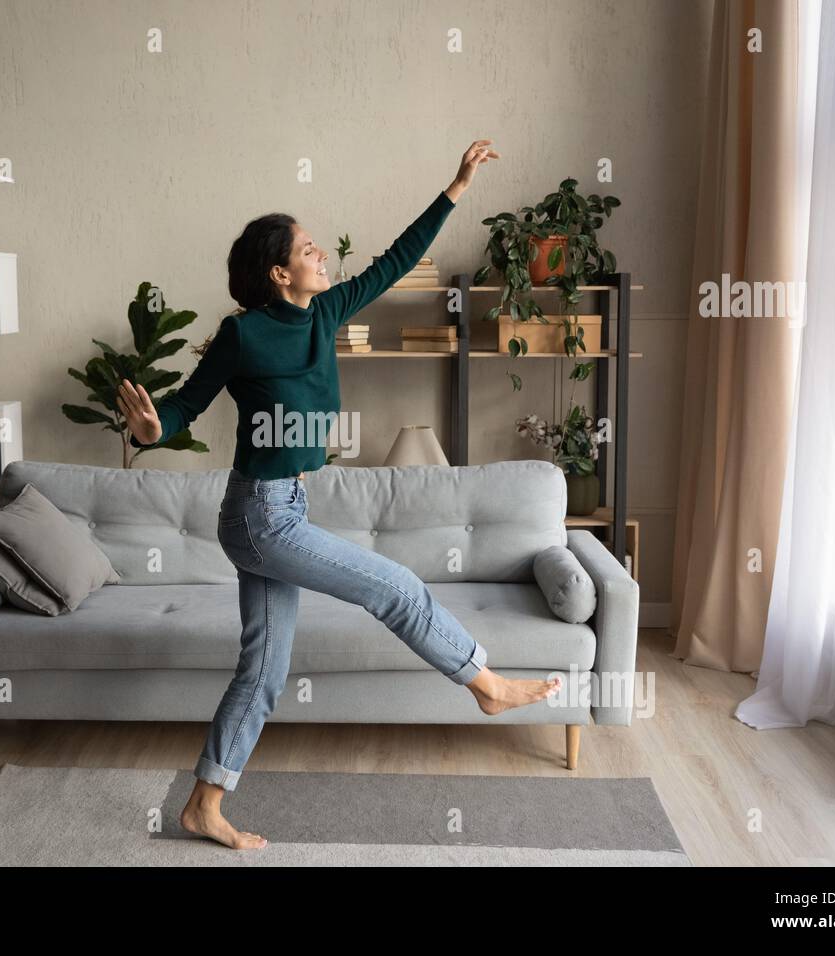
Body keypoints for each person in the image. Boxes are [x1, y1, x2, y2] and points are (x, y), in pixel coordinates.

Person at [117, 140, 561, 850]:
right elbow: (182, 409)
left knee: (263, 670)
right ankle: (483, 681)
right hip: (259, 513)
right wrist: (148, 428)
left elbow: (392, 259)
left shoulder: (326, 314)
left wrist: (455, 187)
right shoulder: (241, 334)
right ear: (279, 271)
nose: (323, 258)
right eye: (310, 249)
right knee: (399, 588)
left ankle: (203, 803)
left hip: (284, 507)